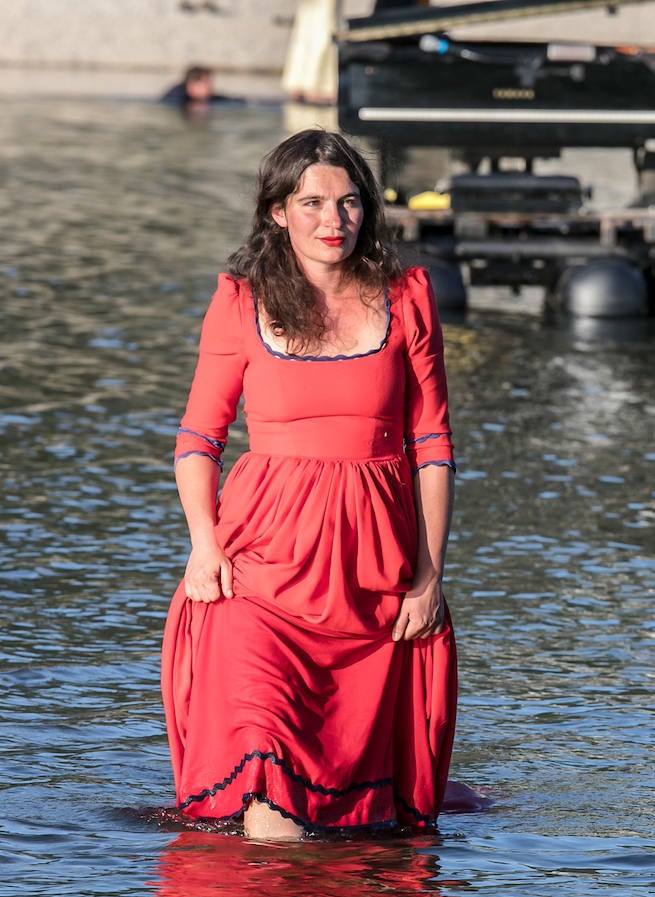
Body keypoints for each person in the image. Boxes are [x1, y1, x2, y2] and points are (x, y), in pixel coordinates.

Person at [160, 129, 458, 840]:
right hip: (258, 574)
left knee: (362, 817)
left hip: (374, 575)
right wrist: (204, 548)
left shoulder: (409, 296)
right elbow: (199, 441)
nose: (335, 221)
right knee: (269, 787)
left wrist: (429, 576)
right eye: (314, 202)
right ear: (277, 212)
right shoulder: (239, 301)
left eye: (350, 202)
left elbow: (433, 445)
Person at [159, 65, 239, 112]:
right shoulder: (176, 98)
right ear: (193, 85)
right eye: (206, 84)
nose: (210, 87)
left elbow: (223, 99)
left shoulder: (205, 98)